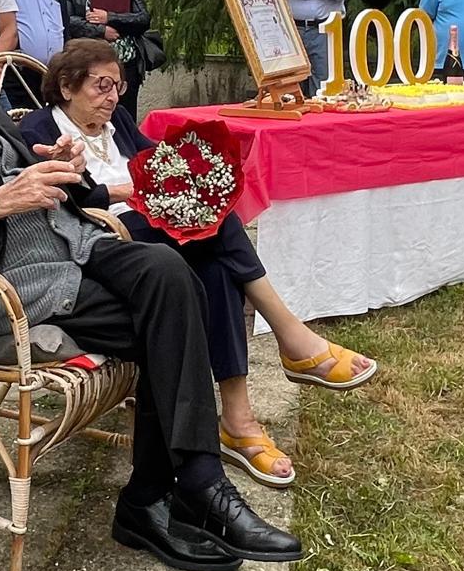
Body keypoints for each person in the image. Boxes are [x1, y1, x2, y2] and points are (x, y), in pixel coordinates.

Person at [0, 0, 303, 571]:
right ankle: (171, 494)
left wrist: (60, 165)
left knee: (171, 272)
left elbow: (56, 190)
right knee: (172, 312)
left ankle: (176, 491)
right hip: (0, 285)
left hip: (76, 245)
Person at [22, 40, 379, 488]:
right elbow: (59, 203)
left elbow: (160, 160)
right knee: (218, 226)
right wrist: (124, 192)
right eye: (102, 86)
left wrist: (193, 175)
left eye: (119, 85)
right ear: (67, 86)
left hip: (147, 231)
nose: (113, 96)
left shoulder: (118, 124)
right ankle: (287, 345)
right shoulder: (39, 130)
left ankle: (239, 418)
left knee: (216, 264)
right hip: (102, 244)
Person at [63, 0, 154, 120]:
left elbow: (143, 19)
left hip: (125, 67)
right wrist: (101, 31)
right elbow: (66, 20)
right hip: (86, 64)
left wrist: (109, 17)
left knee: (124, 119)